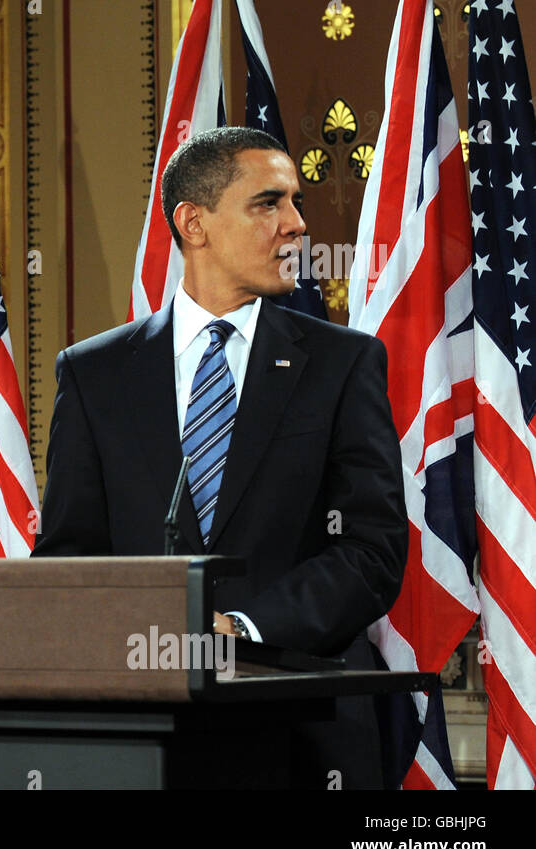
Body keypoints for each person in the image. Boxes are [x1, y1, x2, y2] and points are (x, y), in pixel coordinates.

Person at [33, 127, 408, 788]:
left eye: (295, 202)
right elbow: (70, 559)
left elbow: (371, 553)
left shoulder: (343, 365)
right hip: (146, 740)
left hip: (306, 734)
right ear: (194, 222)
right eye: (268, 203)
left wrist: (241, 628)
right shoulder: (94, 375)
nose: (296, 224)